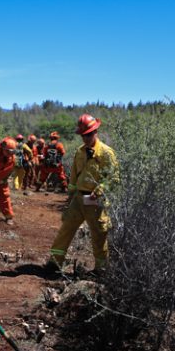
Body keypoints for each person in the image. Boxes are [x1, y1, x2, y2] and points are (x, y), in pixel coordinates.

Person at [47, 114, 119, 275]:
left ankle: (101, 269)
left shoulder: (106, 153)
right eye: (83, 135)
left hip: (95, 201)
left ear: (95, 132)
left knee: (99, 234)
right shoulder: (80, 152)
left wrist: (98, 191)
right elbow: (73, 175)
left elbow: (113, 178)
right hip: (79, 199)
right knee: (66, 229)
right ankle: (54, 262)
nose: (85, 138)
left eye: (88, 134)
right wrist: (71, 195)